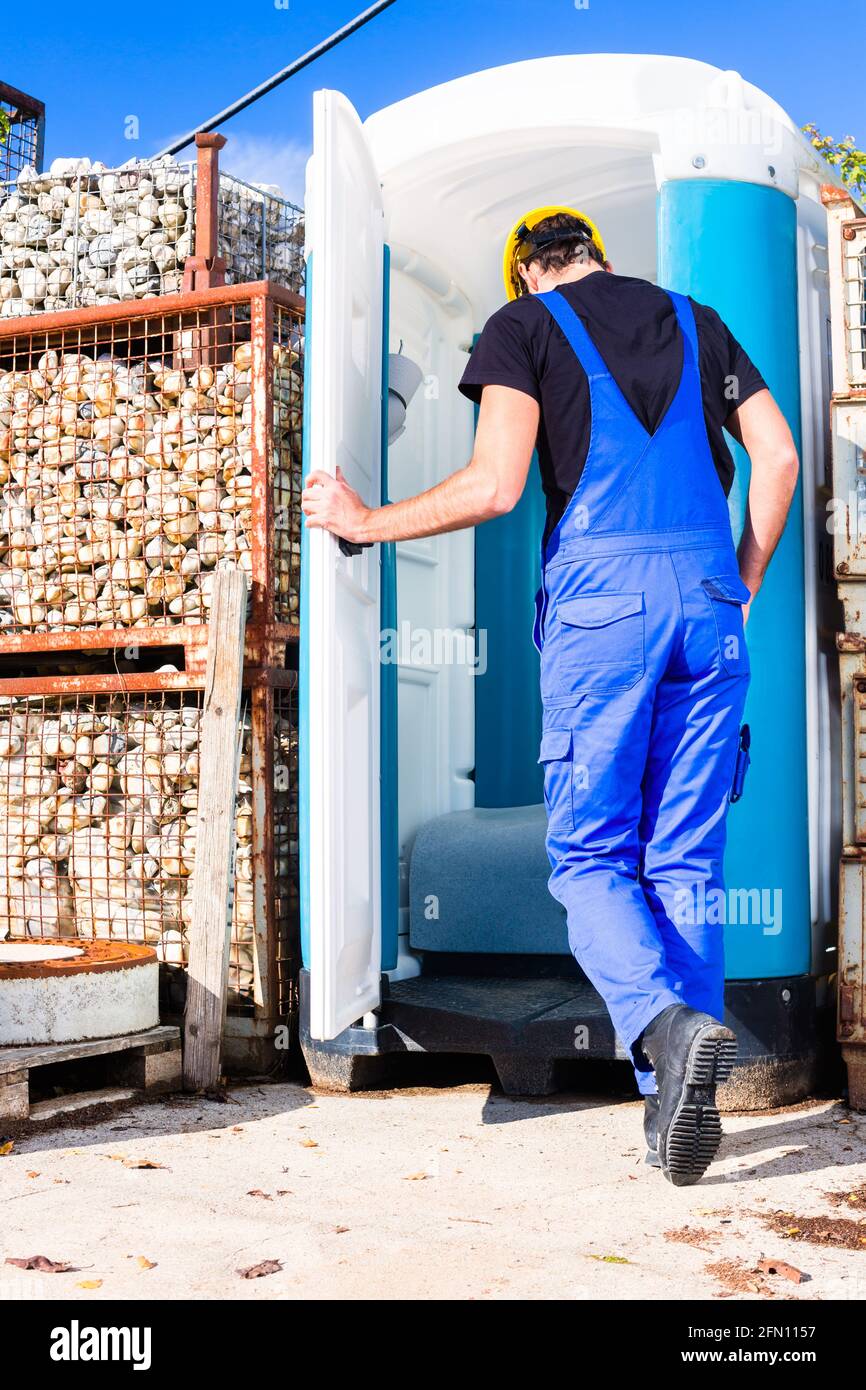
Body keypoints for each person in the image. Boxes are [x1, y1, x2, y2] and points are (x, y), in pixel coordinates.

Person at [301, 207, 799, 1185]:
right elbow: (775, 459)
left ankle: (661, 1028)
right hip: (708, 609)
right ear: (596, 256)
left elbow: (495, 484)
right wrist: (739, 582)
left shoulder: (521, 326)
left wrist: (363, 521)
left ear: (526, 272)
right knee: (685, 863)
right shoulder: (696, 320)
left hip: (603, 617)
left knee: (587, 857)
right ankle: (675, 1103)